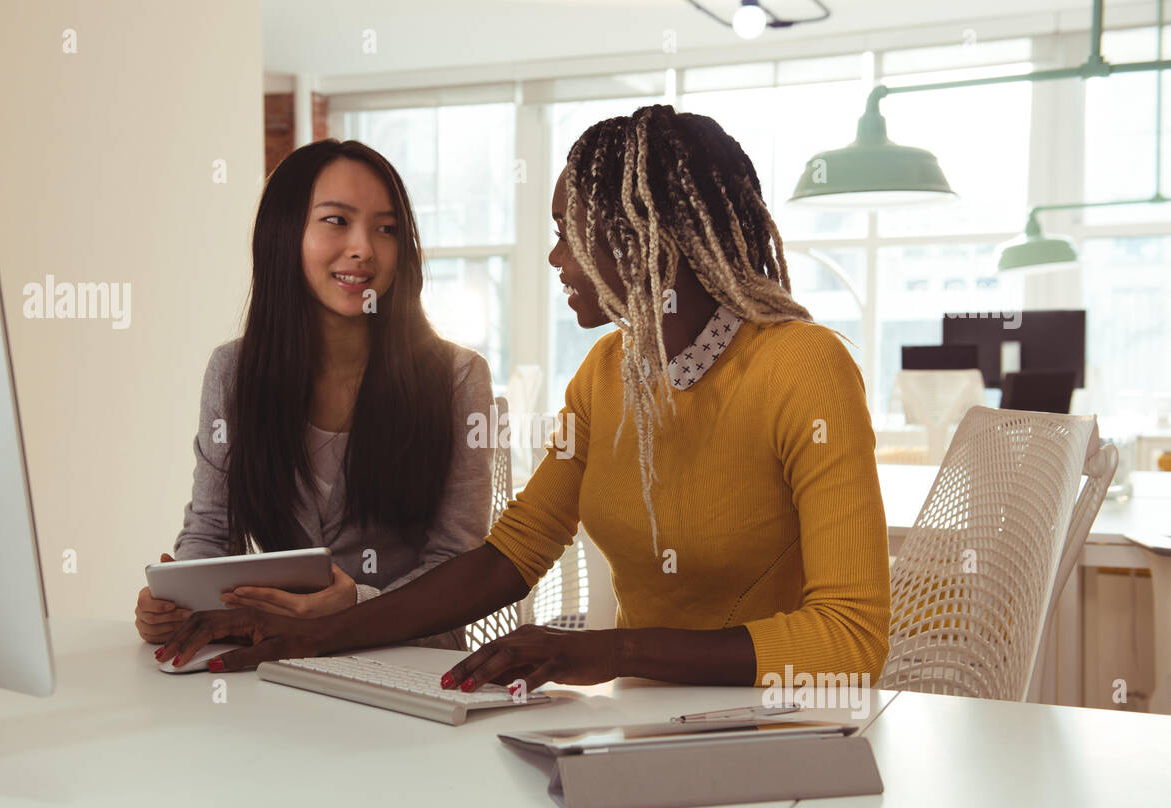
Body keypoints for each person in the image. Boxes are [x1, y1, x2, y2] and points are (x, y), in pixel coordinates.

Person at [156, 105, 891, 691]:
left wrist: (613, 650)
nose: (554, 258)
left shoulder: (804, 366)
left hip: (789, 722)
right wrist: (317, 636)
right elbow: (507, 557)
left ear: (642, 236)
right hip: (650, 718)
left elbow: (852, 637)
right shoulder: (607, 373)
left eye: (568, 233)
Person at [137, 140, 495, 663]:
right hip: (276, 667)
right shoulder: (234, 373)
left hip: (401, 663)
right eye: (335, 221)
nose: (364, 249)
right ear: (285, 235)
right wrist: (178, 601)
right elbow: (212, 532)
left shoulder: (458, 379)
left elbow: (457, 566)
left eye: (386, 228)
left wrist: (353, 609)